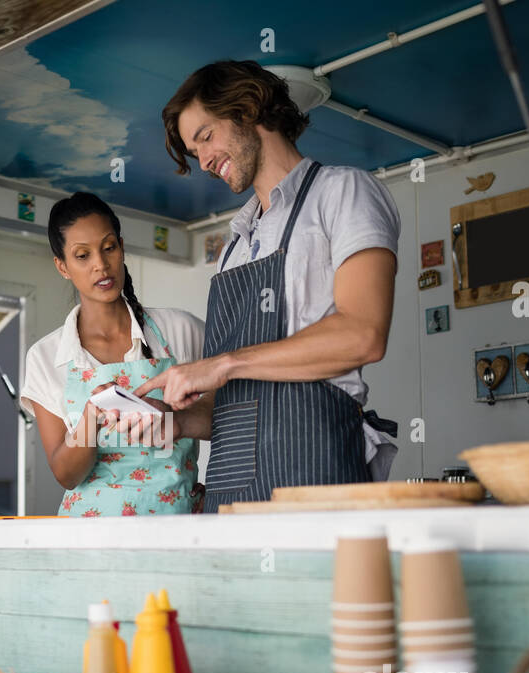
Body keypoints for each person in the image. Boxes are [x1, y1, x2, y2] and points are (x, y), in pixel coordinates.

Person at [132, 60, 401, 513]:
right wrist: (176, 423)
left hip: (315, 477)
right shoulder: (233, 249)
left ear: (247, 109)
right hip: (230, 490)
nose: (203, 161)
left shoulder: (343, 193)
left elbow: (363, 334)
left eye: (205, 137)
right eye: (194, 151)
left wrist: (220, 364)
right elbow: (239, 406)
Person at [20, 192, 204, 516]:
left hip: (177, 532)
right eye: (82, 255)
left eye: (109, 248)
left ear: (121, 246)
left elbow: (232, 419)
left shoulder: (180, 330)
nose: (101, 265)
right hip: (88, 542)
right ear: (62, 266)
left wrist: (176, 421)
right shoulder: (45, 356)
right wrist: (91, 416)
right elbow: (67, 474)